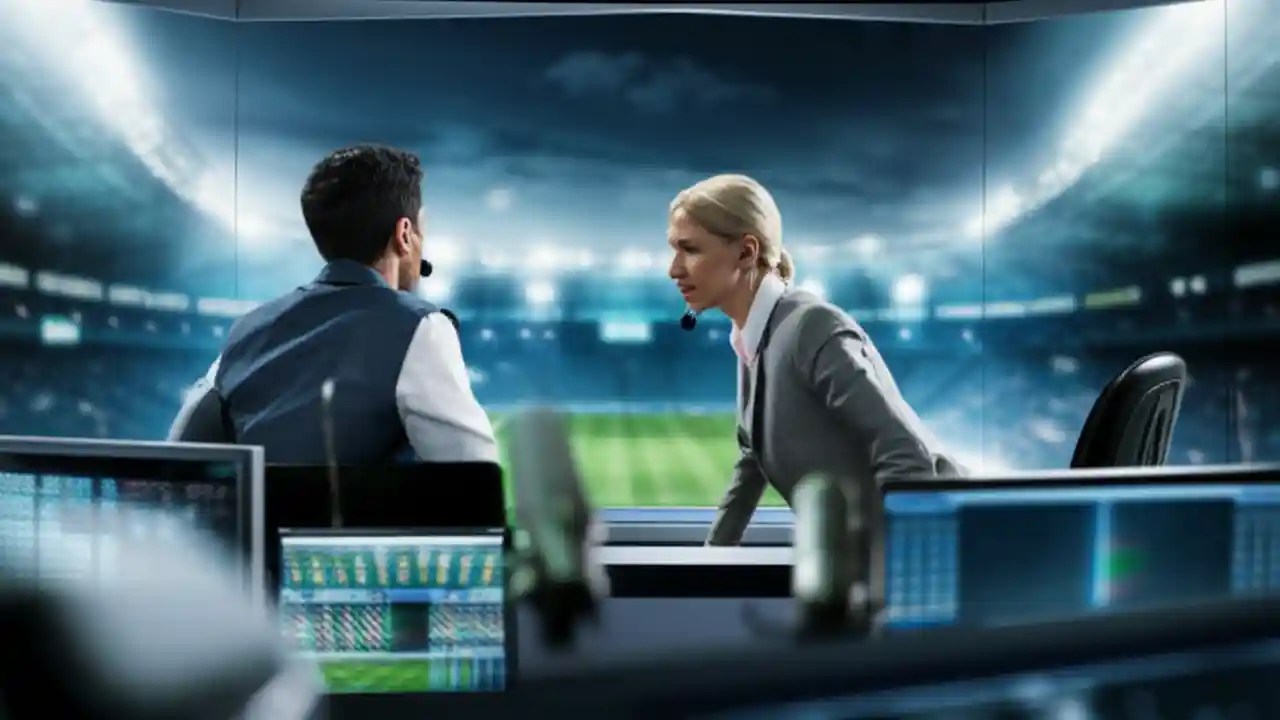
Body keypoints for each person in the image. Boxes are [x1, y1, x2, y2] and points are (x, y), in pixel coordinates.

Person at [666, 173, 958, 546]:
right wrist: (709, 561)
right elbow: (752, 460)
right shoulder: (753, 338)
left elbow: (907, 457)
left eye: (690, 250)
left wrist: (884, 579)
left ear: (746, 251)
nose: (673, 269)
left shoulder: (811, 328)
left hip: (947, 555)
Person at [168, 145, 497, 464]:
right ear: (405, 233)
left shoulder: (247, 329)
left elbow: (180, 452)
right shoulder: (421, 326)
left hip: (255, 520)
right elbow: (477, 478)